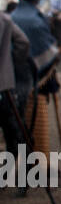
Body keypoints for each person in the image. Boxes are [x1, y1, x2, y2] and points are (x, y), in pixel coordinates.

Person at [0, 9, 30, 174]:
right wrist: (9, 65)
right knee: (13, 132)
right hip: (4, 87)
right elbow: (23, 42)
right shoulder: (5, 19)